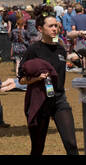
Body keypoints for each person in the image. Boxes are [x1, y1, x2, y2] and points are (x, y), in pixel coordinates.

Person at [19, 13, 78, 156]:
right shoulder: (34, 50)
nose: (55, 29)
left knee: (71, 144)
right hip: (40, 101)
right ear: (40, 28)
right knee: (38, 148)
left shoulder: (60, 49)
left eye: (56, 26)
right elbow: (21, 79)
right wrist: (36, 79)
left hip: (59, 99)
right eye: (50, 26)